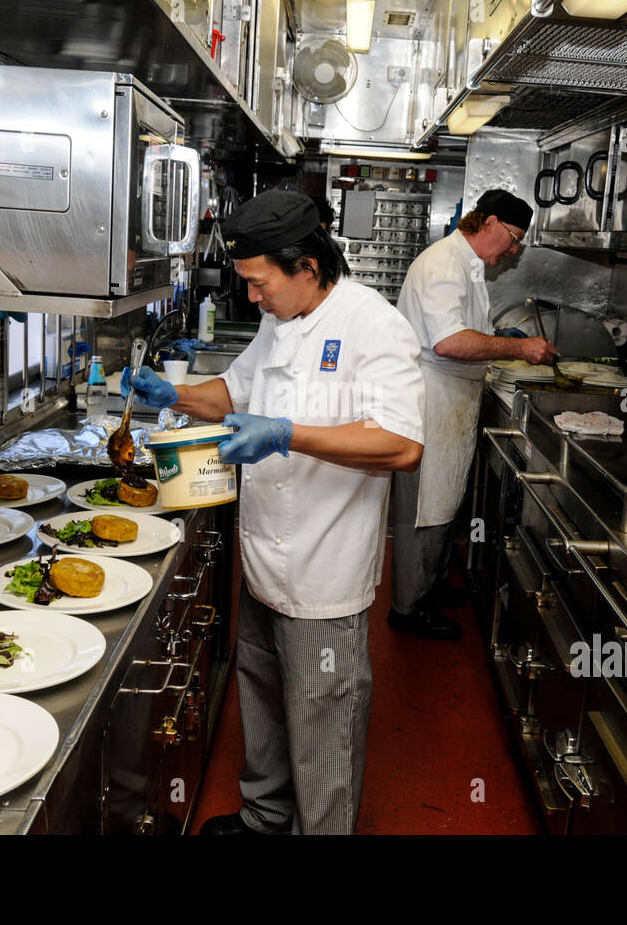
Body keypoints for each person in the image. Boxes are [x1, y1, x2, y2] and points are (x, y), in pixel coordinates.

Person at [120, 190, 424, 834]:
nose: (252, 297)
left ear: (307, 266)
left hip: (324, 565)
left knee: (323, 717)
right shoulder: (279, 319)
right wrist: (173, 393)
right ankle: (264, 817)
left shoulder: (374, 325)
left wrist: (287, 433)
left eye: (260, 283)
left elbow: (401, 444)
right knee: (259, 692)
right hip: (262, 553)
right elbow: (237, 388)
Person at [390, 189, 557, 640]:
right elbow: (449, 342)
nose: (515, 248)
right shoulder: (444, 264)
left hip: (451, 397)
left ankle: (430, 585)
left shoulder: (466, 264)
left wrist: (497, 333)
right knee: (426, 506)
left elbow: (463, 329)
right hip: (432, 398)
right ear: (490, 224)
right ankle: (408, 609)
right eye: (515, 237)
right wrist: (518, 347)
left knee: (444, 502)